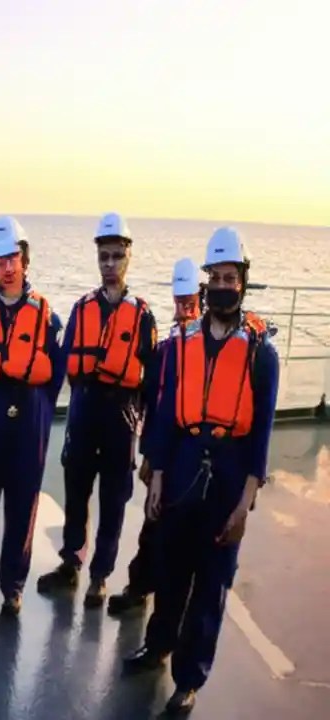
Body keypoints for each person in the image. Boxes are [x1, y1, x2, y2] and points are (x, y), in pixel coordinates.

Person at [123, 227, 279, 715]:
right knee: (170, 571)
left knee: (210, 586)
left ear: (243, 283)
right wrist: (158, 474)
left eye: (232, 278)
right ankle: (158, 647)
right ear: (206, 282)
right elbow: (166, 417)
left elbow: (262, 433)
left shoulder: (261, 353)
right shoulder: (180, 345)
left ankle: (189, 679)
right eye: (217, 278)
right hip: (183, 465)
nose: (223, 287)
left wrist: (245, 502)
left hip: (229, 474)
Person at [38, 213, 158, 607]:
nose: (110, 264)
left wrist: (145, 433)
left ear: (129, 257)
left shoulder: (143, 316)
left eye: (116, 256)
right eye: (104, 256)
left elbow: (151, 381)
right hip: (84, 409)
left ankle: (100, 574)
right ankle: (71, 562)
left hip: (121, 416)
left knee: (113, 499)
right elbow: (65, 363)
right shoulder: (81, 309)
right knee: (76, 492)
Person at [0, 216, 66, 618]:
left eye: (12, 259)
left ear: (24, 259)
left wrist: (38, 417)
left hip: (27, 424)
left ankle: (12, 587)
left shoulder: (47, 316)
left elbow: (56, 375)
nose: (6, 268)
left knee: (22, 512)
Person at [107, 257, 202, 615]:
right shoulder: (166, 349)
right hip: (164, 452)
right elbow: (153, 404)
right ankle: (139, 588)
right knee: (153, 520)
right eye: (179, 302)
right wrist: (149, 455)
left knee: (183, 533)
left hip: (193, 456)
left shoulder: (208, 351)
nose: (184, 310)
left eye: (190, 302)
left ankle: (174, 602)